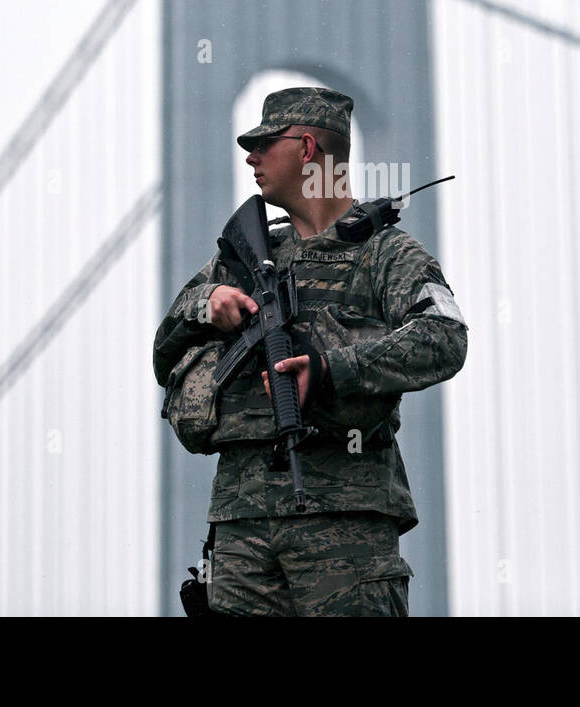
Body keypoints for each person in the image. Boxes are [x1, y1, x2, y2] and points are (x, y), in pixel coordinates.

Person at [152, 86, 468, 616]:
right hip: (240, 530)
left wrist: (329, 368)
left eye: (264, 143)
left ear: (306, 148)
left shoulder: (386, 255)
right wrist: (207, 304)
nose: (250, 156)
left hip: (345, 531)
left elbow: (445, 338)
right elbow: (165, 355)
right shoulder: (242, 259)